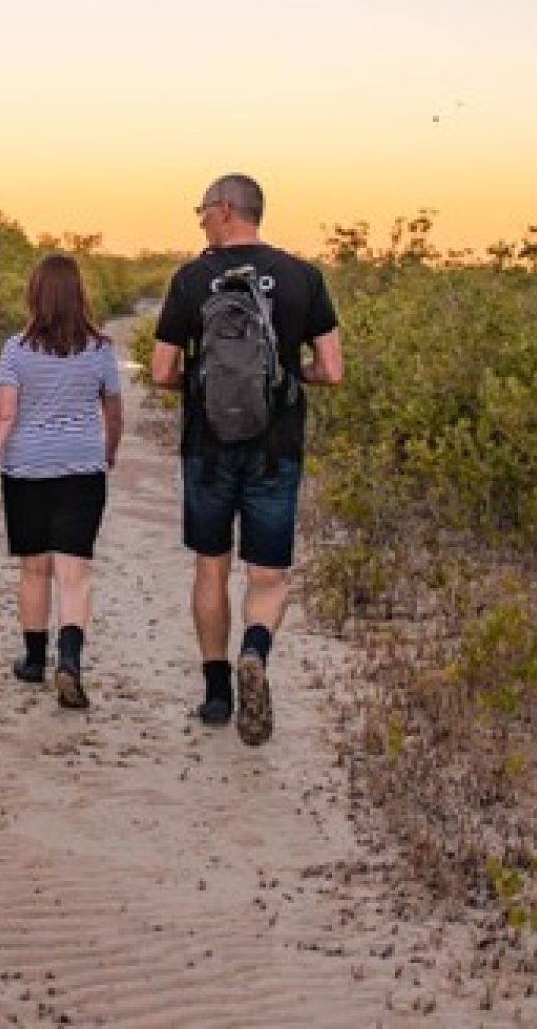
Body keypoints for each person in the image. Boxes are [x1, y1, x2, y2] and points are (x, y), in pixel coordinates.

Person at [150, 175, 343, 746]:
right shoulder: (302, 277)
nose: (201, 220)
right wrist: (288, 378)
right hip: (275, 447)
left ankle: (215, 694)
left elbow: (161, 371)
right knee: (268, 574)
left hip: (208, 449)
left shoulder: (190, 278)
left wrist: (201, 388)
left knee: (211, 566)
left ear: (227, 209)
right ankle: (254, 651)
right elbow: (332, 369)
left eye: (203, 211)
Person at [0, 253, 124, 710]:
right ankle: (70, 662)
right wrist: (108, 451)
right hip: (82, 468)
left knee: (34, 568)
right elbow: (113, 411)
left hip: (27, 470)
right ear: (80, 295)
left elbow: (4, 414)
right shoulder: (101, 349)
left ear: (34, 294)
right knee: (74, 574)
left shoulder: (16, 349)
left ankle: (35, 660)